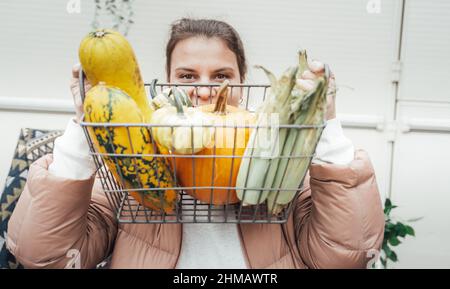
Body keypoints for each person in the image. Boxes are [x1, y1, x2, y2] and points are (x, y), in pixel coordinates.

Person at [7, 18, 384, 269]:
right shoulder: (133, 171)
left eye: (222, 75)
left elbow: (346, 254)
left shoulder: (280, 169)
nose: (204, 91)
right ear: (165, 84)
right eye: (187, 75)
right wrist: (84, 126)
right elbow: (46, 257)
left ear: (242, 82)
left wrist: (325, 121)